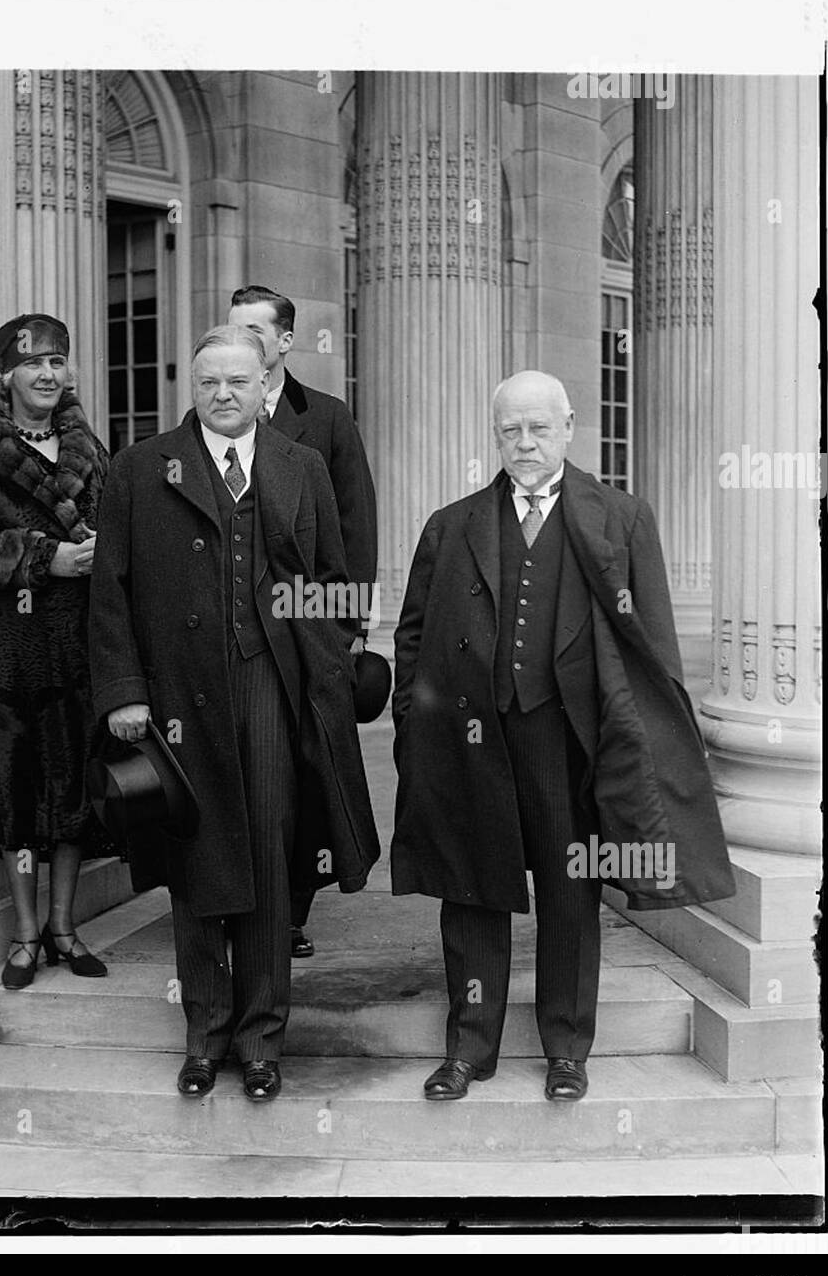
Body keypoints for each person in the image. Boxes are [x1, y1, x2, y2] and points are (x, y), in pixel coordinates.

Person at [391, 369, 735, 1103]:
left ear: (569, 427)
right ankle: (469, 1048)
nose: (523, 442)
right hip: (474, 742)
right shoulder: (451, 525)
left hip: (568, 742)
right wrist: (415, 727)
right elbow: (414, 639)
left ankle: (566, 1049)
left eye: (538, 428)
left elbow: (655, 648)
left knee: (570, 892)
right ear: (496, 434)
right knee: (472, 889)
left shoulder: (622, 519)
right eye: (510, 429)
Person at [90, 325, 379, 1101]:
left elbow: (329, 580)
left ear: (265, 388)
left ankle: (260, 1041)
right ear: (194, 386)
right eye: (210, 381)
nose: (224, 394)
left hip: (274, 691)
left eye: (239, 383)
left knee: (272, 864)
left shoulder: (302, 465)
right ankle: (203, 1037)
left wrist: (329, 667)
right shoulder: (139, 469)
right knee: (198, 869)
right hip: (179, 701)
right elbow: (109, 591)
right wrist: (124, 693)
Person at [0, 314, 112, 991]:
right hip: (2, 646)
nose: (46, 375)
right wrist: (46, 558)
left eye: (57, 363)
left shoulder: (89, 450)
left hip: (73, 640)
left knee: (72, 783)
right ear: (8, 374)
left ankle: (65, 929)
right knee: (15, 786)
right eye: (33, 364)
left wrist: (98, 550)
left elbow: (114, 526)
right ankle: (25, 934)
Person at [226, 284, 379, 957]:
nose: (244, 342)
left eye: (255, 332)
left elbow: (355, 529)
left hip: (308, 631)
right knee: (245, 777)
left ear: (285, 341)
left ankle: (288, 914)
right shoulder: (214, 409)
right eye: (233, 330)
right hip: (236, 637)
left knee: (309, 774)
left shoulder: (326, 419)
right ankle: (244, 907)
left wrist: (344, 634)